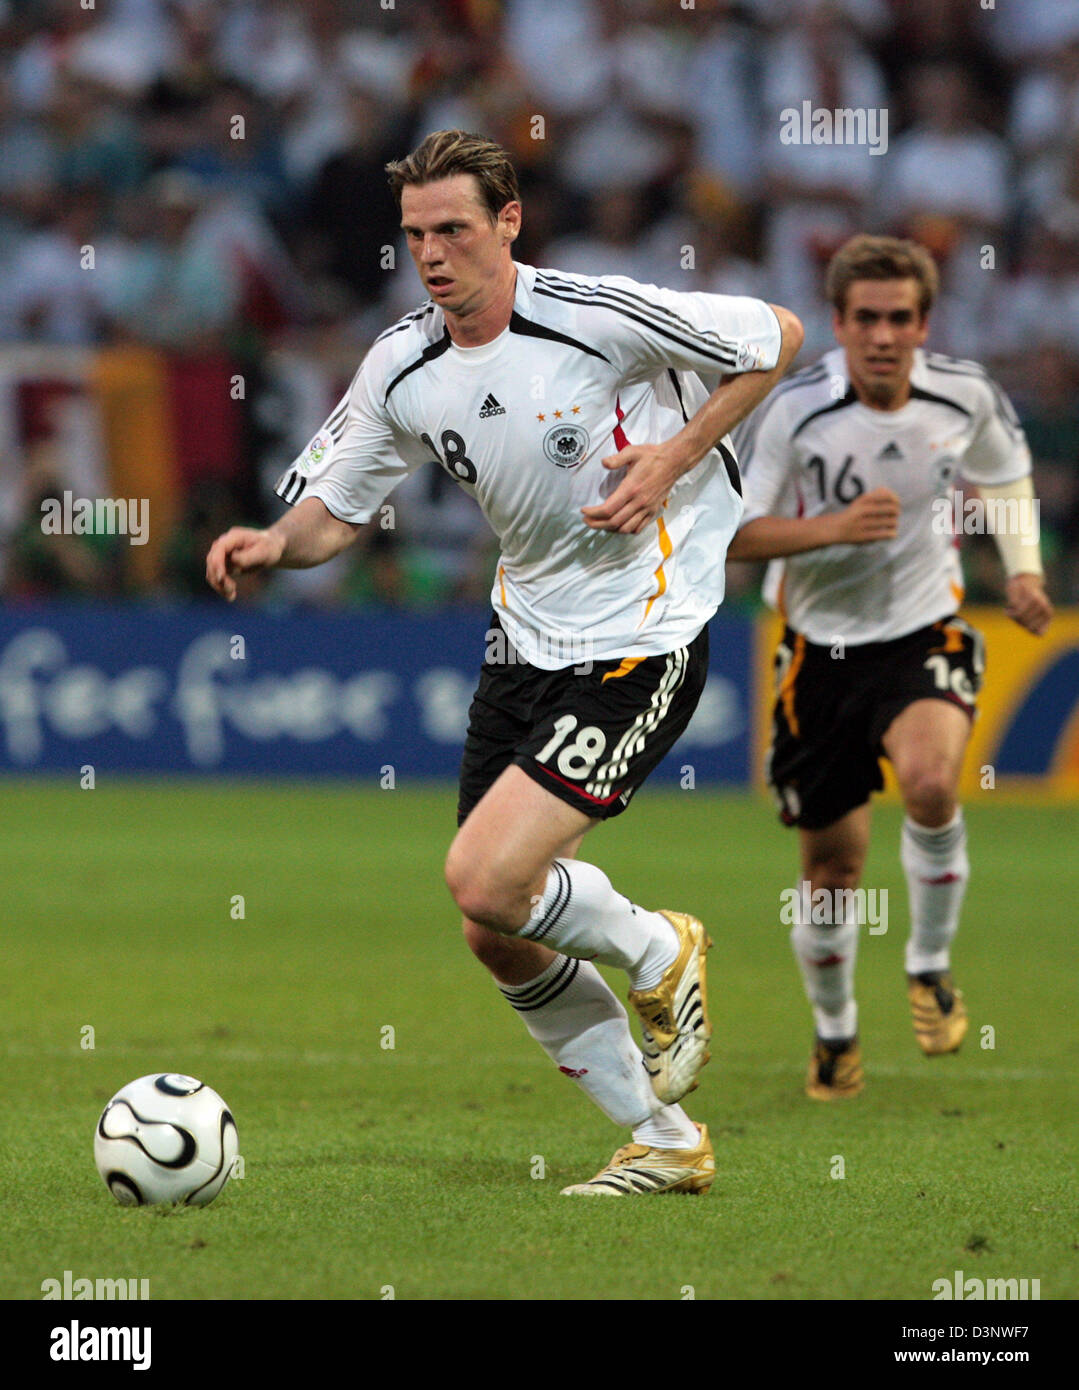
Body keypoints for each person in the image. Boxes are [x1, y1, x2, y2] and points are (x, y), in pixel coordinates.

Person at [206, 129, 803, 1193]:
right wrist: (272, 544)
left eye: (453, 230)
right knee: (494, 926)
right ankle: (662, 1141)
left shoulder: (593, 312)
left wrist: (668, 458)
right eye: (415, 235)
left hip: (642, 634)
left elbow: (778, 336)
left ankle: (658, 942)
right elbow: (335, 511)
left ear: (508, 221)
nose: (431, 254)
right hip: (523, 638)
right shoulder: (402, 361)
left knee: (484, 876)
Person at [729, 234, 1052, 1099]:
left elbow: (1006, 474)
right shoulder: (794, 413)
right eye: (863, 318)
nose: (880, 335)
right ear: (836, 323)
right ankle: (834, 1030)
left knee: (930, 786)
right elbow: (732, 533)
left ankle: (929, 964)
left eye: (897, 318)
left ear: (922, 323)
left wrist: (1021, 570)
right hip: (815, 655)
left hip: (922, 632)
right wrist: (828, 530)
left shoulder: (964, 395)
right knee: (831, 870)